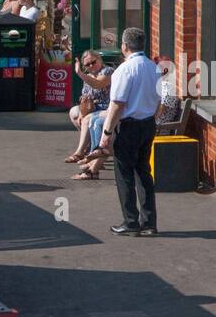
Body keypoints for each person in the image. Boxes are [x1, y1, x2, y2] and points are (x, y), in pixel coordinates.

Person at [94, 27, 162, 235]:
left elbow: (117, 105)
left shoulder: (124, 70)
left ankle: (130, 221)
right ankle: (149, 222)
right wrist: (153, 120)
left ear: (124, 46)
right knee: (144, 172)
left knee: (124, 173)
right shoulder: (154, 68)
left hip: (129, 125)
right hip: (148, 123)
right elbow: (159, 101)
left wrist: (106, 134)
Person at [66, 50, 113, 179]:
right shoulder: (88, 75)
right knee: (74, 113)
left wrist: (80, 73)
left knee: (88, 120)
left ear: (100, 60)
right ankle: (87, 149)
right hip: (93, 106)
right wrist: (82, 112)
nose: (91, 66)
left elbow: (98, 84)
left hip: (106, 106)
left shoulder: (107, 71)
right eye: (87, 65)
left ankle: (82, 152)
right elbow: (85, 96)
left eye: (93, 62)